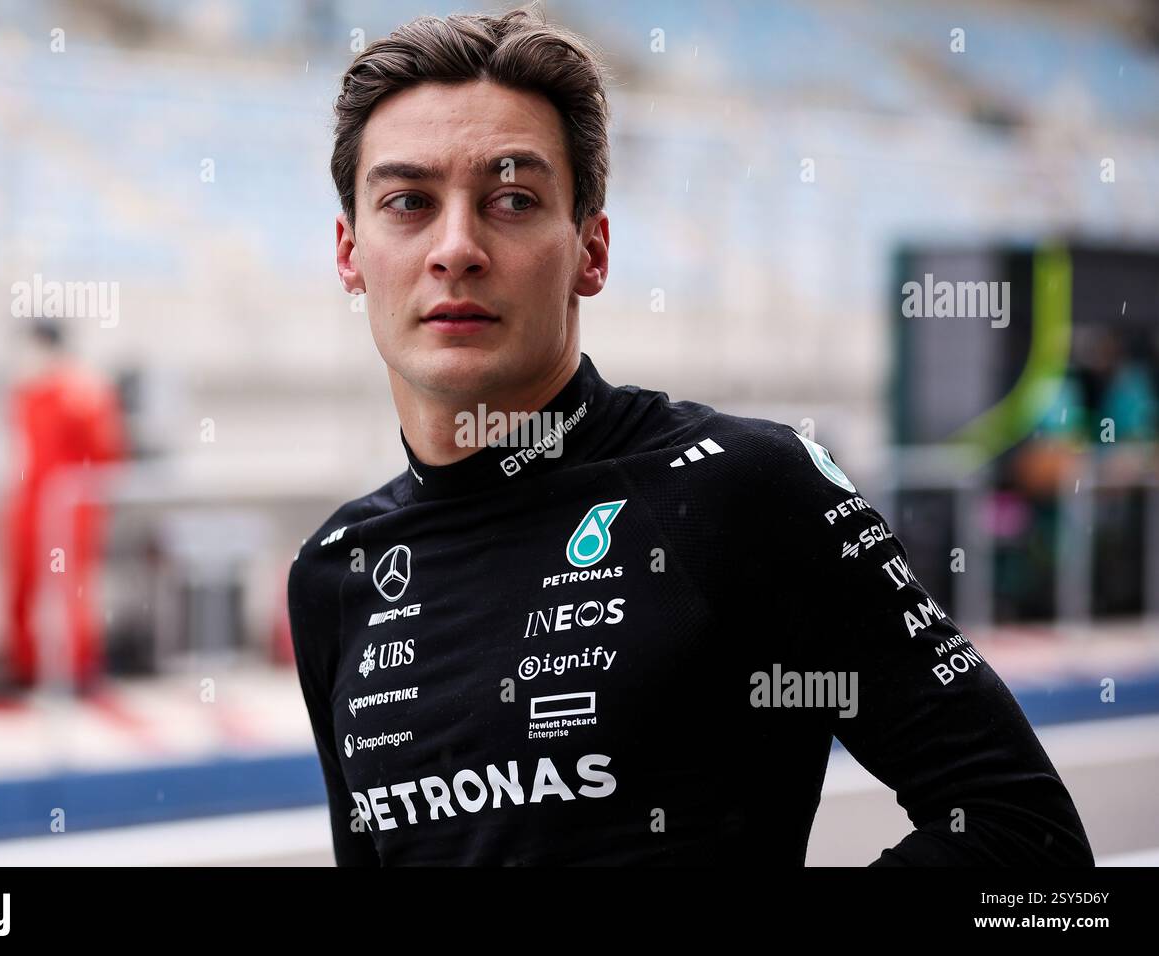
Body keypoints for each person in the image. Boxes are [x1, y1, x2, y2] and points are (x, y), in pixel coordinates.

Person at [287, 6, 1093, 866]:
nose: (456, 248)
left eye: (512, 199)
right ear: (350, 252)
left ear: (591, 250)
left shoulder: (741, 488)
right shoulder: (336, 574)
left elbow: (1026, 836)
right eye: (408, 202)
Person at [0, 317, 125, 695]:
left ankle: (80, 668)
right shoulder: (27, 394)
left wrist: (88, 500)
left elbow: (106, 455)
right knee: (20, 585)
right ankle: (24, 666)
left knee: (72, 592)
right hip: (30, 501)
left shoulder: (83, 394)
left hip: (70, 507)